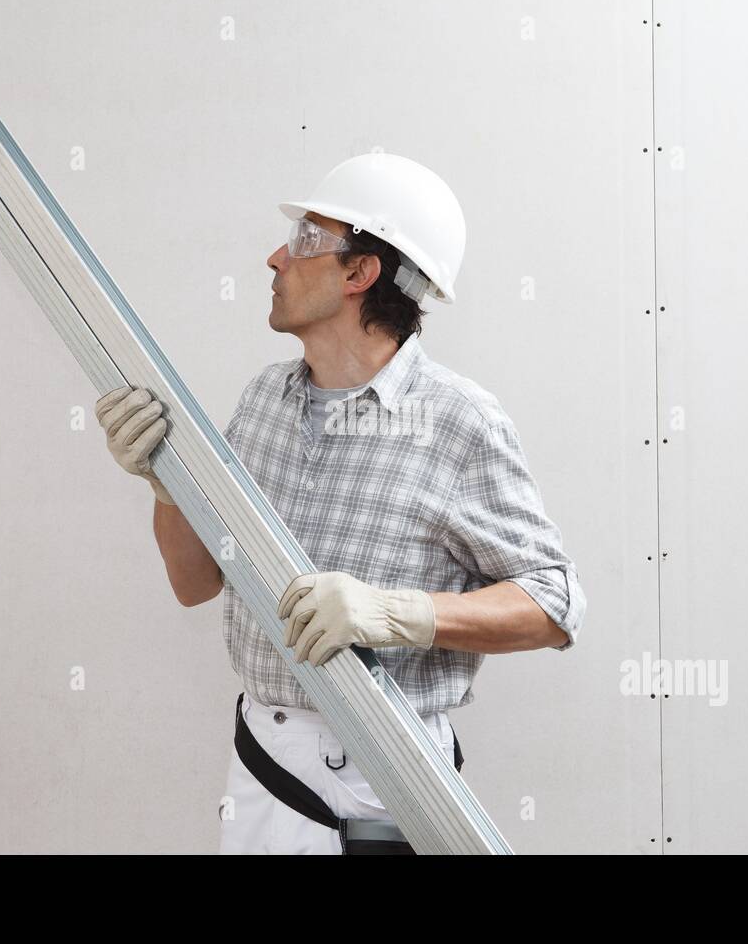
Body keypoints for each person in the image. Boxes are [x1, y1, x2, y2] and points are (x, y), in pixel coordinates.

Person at [95, 153, 586, 854]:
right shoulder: (265, 400)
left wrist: (396, 613)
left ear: (360, 274)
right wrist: (165, 487)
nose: (274, 258)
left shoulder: (457, 421)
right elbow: (195, 583)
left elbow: (556, 605)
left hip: (379, 779)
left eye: (303, 241)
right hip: (260, 769)